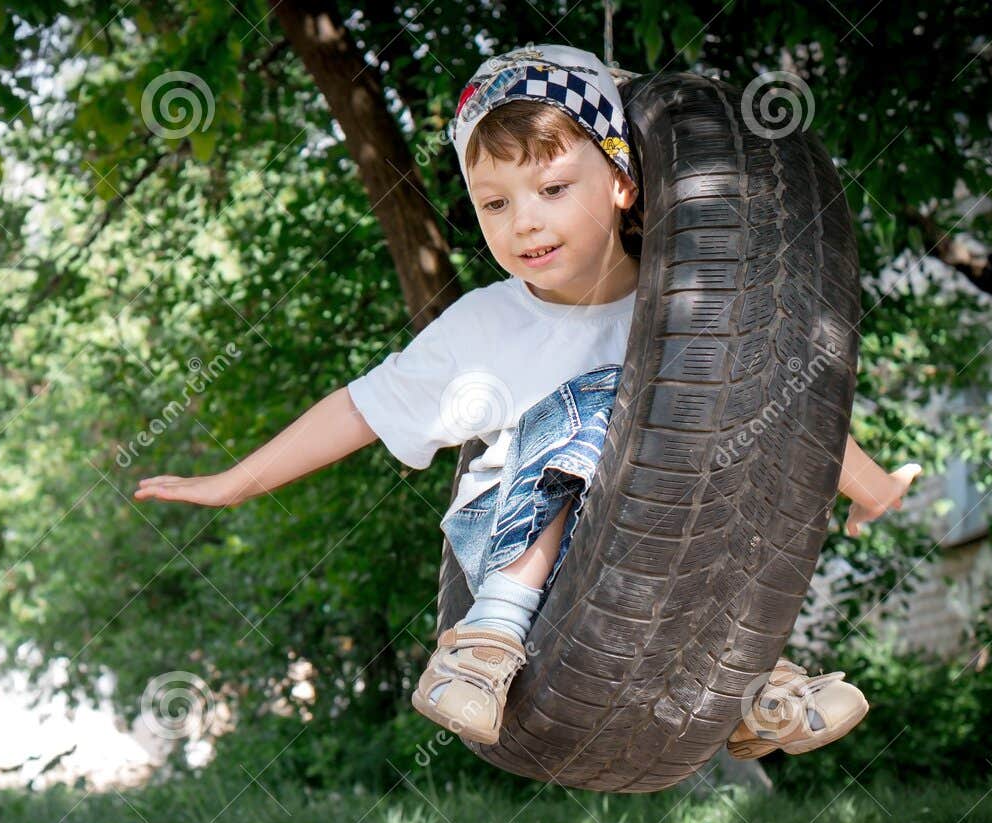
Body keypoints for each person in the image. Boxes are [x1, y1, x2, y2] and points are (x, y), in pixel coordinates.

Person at [135, 44, 918, 757]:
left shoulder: (688, 303)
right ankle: (484, 644)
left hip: (643, 557)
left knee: (712, 437)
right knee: (616, 401)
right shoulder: (484, 323)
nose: (525, 221)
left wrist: (870, 486)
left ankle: (747, 690)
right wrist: (234, 481)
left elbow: (775, 408)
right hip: (512, 554)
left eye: (550, 187)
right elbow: (362, 408)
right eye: (496, 203)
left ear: (619, 181)